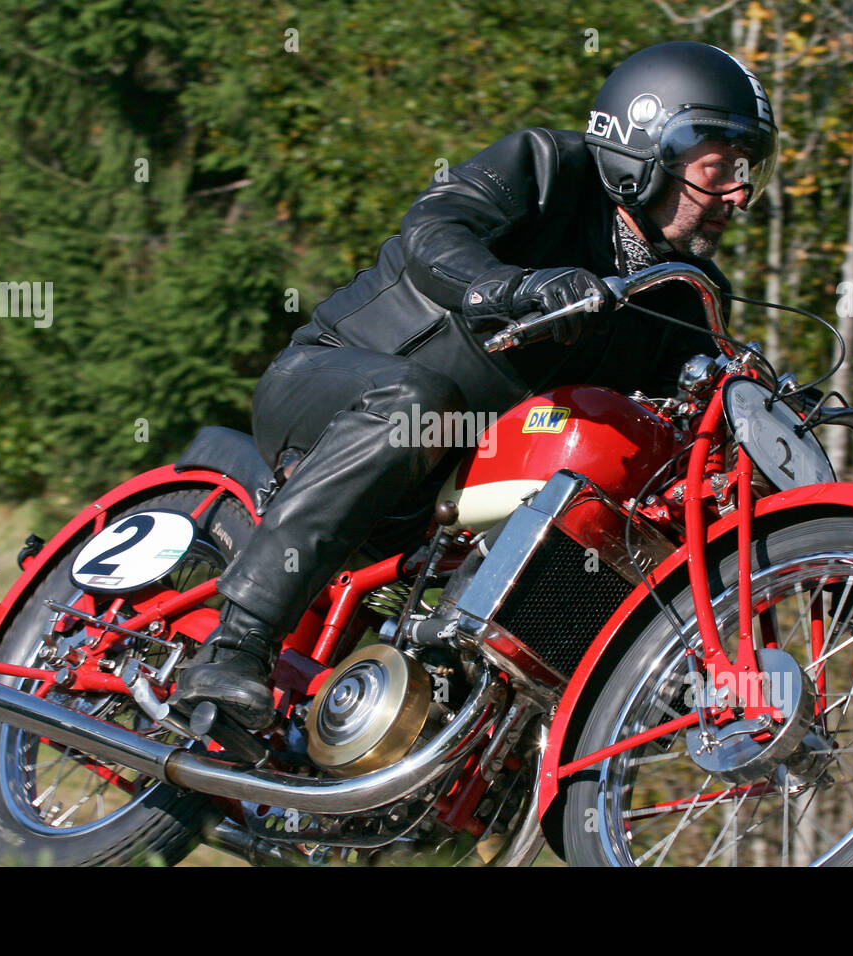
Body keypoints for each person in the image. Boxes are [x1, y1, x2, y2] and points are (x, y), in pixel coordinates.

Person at [169, 41, 779, 731]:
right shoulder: (549, 168)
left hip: (456, 488)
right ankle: (234, 645)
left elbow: (696, 406)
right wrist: (512, 288)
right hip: (332, 387)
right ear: (644, 150)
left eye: (747, 173)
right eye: (719, 168)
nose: (738, 195)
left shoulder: (683, 296)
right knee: (418, 405)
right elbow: (435, 229)